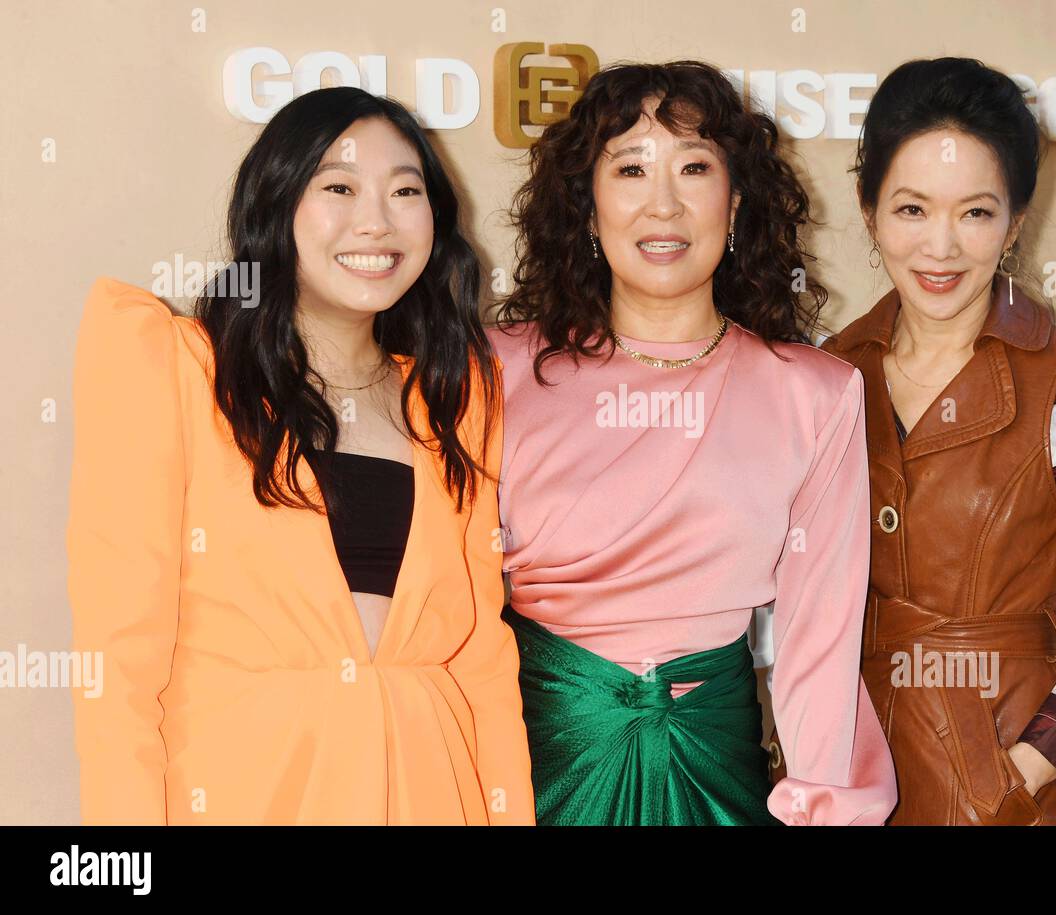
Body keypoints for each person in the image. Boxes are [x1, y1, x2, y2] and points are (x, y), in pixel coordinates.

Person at [67, 87, 533, 825]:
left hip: (433, 788)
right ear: (276, 204)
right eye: (339, 187)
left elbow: (481, 658)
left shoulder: (456, 397)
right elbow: (119, 659)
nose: (375, 220)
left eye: (405, 190)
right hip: (245, 789)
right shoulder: (181, 369)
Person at [490, 61, 897, 825]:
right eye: (632, 169)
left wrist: (829, 808)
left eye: (695, 167)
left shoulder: (814, 394)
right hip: (529, 771)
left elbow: (818, 650)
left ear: (736, 201)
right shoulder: (497, 372)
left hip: (720, 775)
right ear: (587, 207)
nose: (664, 204)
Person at [821, 57, 1056, 824]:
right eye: (913, 209)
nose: (942, 247)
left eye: (976, 212)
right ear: (869, 210)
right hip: (842, 783)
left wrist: (1011, 777)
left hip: (1005, 798)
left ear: (1017, 220)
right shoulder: (823, 378)